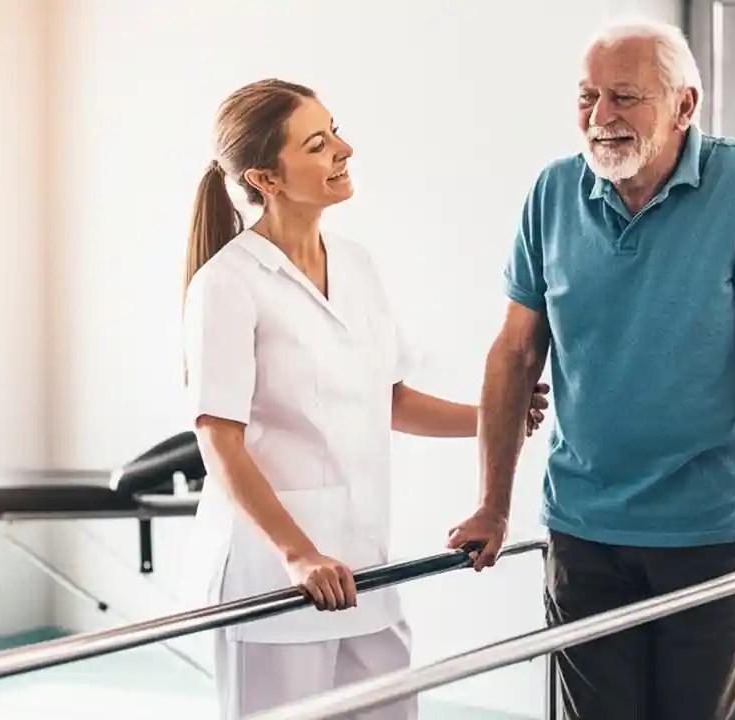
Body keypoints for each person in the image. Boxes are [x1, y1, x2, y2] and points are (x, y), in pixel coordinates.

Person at [446, 21, 735, 720]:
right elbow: (515, 352)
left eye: (624, 97)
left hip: (707, 532)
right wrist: (493, 504)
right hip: (584, 528)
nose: (601, 117)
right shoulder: (552, 193)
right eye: (587, 97)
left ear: (685, 105)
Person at [180, 79, 548, 719]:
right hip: (274, 577)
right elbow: (219, 437)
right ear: (266, 178)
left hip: (363, 565)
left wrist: (497, 419)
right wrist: (297, 553)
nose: (343, 150)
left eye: (335, 131)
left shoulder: (356, 264)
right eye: (319, 145)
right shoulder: (227, 285)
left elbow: (392, 400)